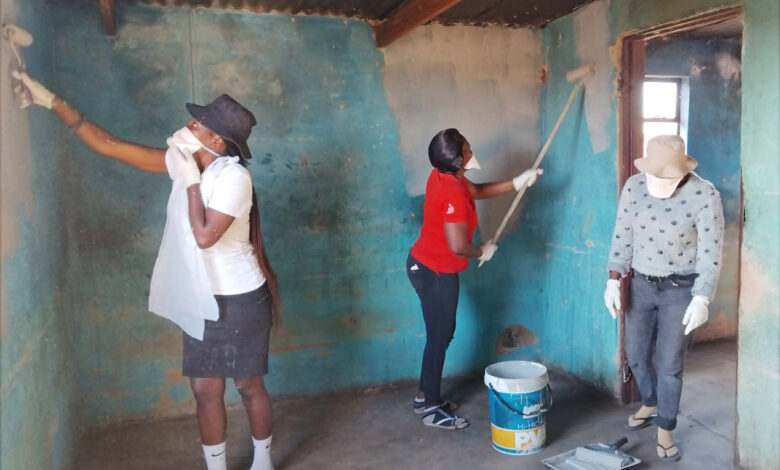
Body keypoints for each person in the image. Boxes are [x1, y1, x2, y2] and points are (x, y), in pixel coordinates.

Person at [16, 72, 281, 470]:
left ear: (215, 142)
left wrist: (192, 182)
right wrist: (52, 102)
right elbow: (112, 147)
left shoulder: (233, 177)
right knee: (205, 390)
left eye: (197, 125)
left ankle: (263, 461)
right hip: (202, 298)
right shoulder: (185, 166)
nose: (187, 126)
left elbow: (206, 235)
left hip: (241, 299)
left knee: (248, 385)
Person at [406, 128, 542, 429]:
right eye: (467, 146)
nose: (471, 146)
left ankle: (424, 395)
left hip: (428, 265)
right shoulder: (451, 190)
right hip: (433, 270)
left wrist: (517, 182)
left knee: (441, 334)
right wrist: (482, 250)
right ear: (458, 158)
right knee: (440, 337)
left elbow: (477, 191)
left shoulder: (444, 175)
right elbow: (457, 245)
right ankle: (429, 407)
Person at [603, 134, 724, 462]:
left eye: (667, 174)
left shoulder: (703, 193)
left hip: (680, 290)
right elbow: (622, 234)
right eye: (654, 174)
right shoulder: (634, 187)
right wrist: (613, 279)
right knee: (636, 354)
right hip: (641, 285)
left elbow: (711, 251)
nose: (658, 180)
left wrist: (702, 297)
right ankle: (651, 401)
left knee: (670, 363)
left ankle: (666, 428)